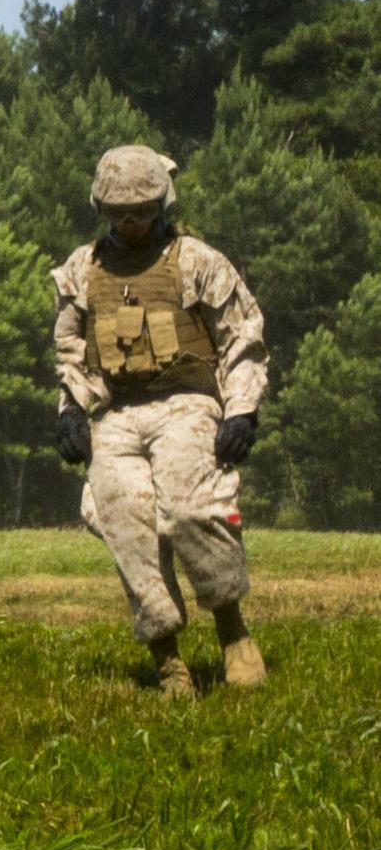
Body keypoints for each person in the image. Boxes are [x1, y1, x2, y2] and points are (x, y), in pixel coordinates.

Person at [50, 145, 270, 695]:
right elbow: (72, 351)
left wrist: (242, 410)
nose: (131, 224)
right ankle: (167, 656)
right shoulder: (83, 271)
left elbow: (241, 337)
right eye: (120, 214)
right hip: (116, 412)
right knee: (125, 518)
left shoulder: (197, 262)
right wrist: (70, 410)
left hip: (186, 403)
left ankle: (232, 628)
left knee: (192, 508)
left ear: (162, 205)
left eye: (142, 212)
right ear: (102, 210)